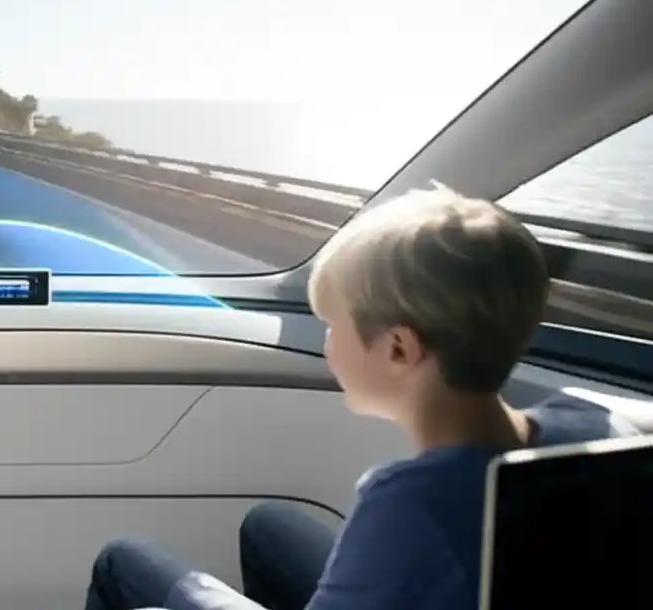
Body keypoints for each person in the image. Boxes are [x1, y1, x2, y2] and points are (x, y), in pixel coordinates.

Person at [84, 185, 641, 610]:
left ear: (399, 348)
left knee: (123, 563)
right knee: (269, 522)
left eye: (333, 325)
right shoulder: (596, 422)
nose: (326, 342)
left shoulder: (410, 502)